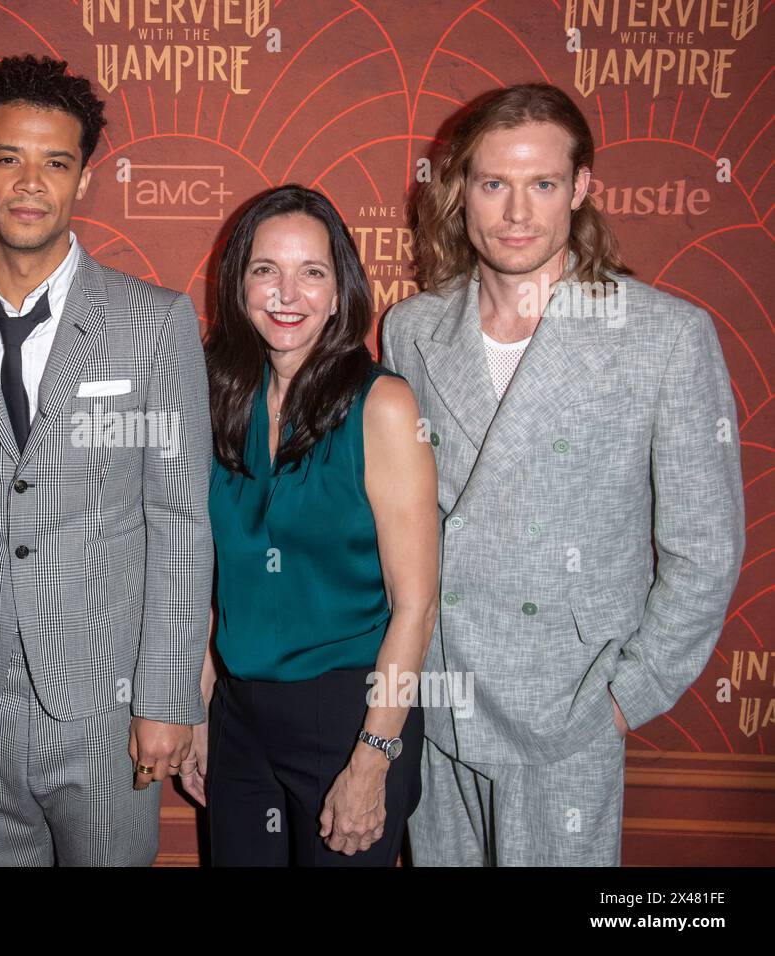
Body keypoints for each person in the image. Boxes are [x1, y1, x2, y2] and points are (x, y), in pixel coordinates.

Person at [382, 83, 745, 866]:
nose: (517, 213)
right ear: (460, 192)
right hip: (437, 695)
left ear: (580, 188)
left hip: (565, 710)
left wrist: (625, 698)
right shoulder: (411, 330)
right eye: (493, 184)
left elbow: (705, 545)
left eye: (542, 184)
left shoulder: (665, 336)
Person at [0, 55, 213, 866]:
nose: (31, 183)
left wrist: (170, 695)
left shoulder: (153, 323)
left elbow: (178, 520)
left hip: (108, 701)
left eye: (55, 162)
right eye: (8, 159)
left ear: (84, 180)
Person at [181, 185, 439, 866]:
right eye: (265, 269)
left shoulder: (382, 405)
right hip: (239, 720)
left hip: (348, 718)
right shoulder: (216, 399)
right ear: (238, 284)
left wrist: (374, 759)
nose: (286, 293)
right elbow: (209, 584)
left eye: (312, 272)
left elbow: (416, 605)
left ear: (339, 289)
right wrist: (204, 712)